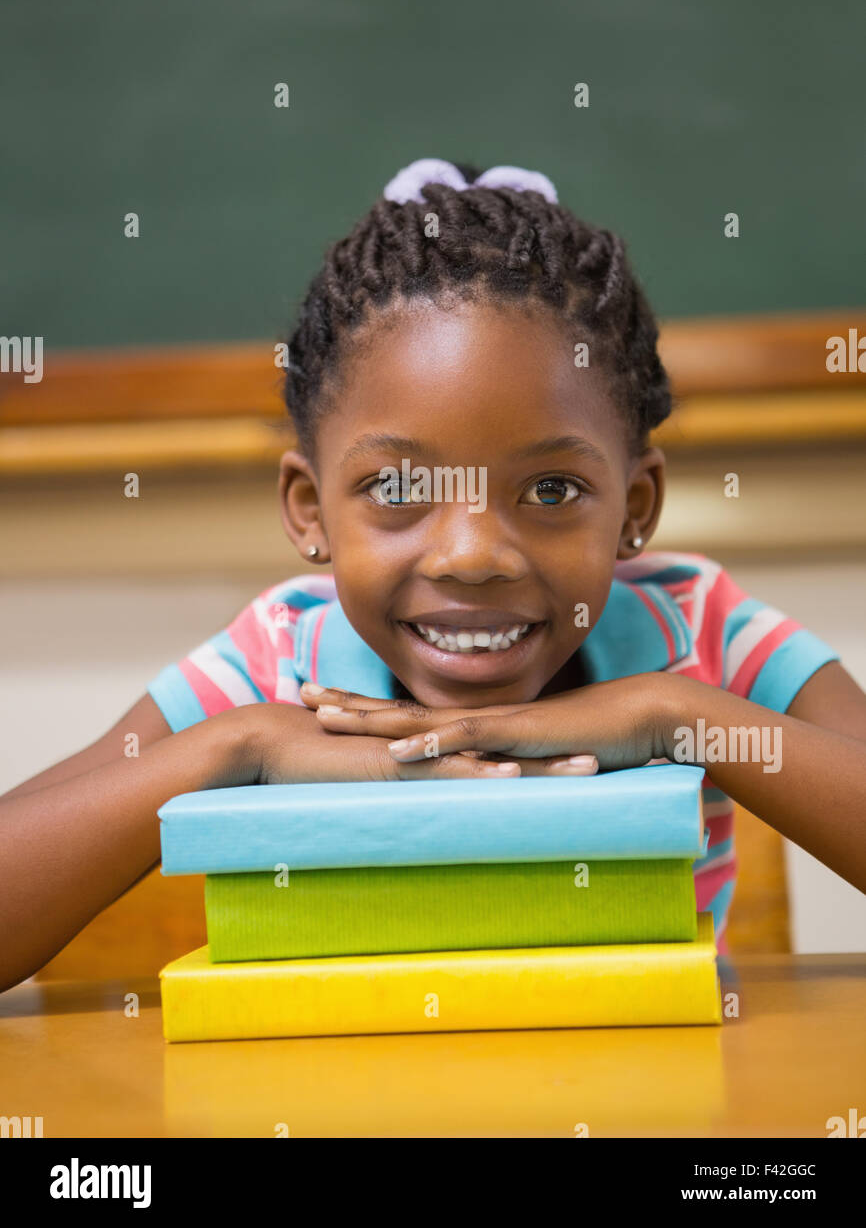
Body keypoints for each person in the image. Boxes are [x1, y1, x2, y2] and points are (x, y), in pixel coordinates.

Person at [3, 157, 865, 990]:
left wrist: (675, 712)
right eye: (399, 489)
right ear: (310, 509)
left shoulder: (699, 630)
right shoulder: (279, 656)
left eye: (552, 488)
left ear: (637, 506)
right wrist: (242, 743)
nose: (472, 556)